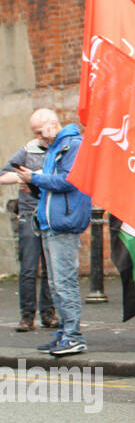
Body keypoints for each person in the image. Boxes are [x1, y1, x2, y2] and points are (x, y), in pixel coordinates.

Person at [16, 109, 91, 356]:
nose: (38, 137)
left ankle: (73, 336)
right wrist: (33, 185)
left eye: (39, 132)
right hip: (51, 223)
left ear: (51, 124)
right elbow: (50, 188)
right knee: (56, 283)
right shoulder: (55, 149)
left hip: (64, 224)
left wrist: (35, 179)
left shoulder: (72, 146)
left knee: (64, 282)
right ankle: (64, 333)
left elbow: (69, 181)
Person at [1, 135, 55, 332]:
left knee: (50, 269)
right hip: (29, 214)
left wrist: (38, 177)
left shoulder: (59, 152)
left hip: (50, 214)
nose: (42, 136)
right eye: (38, 132)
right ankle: (27, 315)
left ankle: (48, 314)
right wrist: (23, 177)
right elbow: (3, 175)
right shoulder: (27, 151)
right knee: (29, 268)